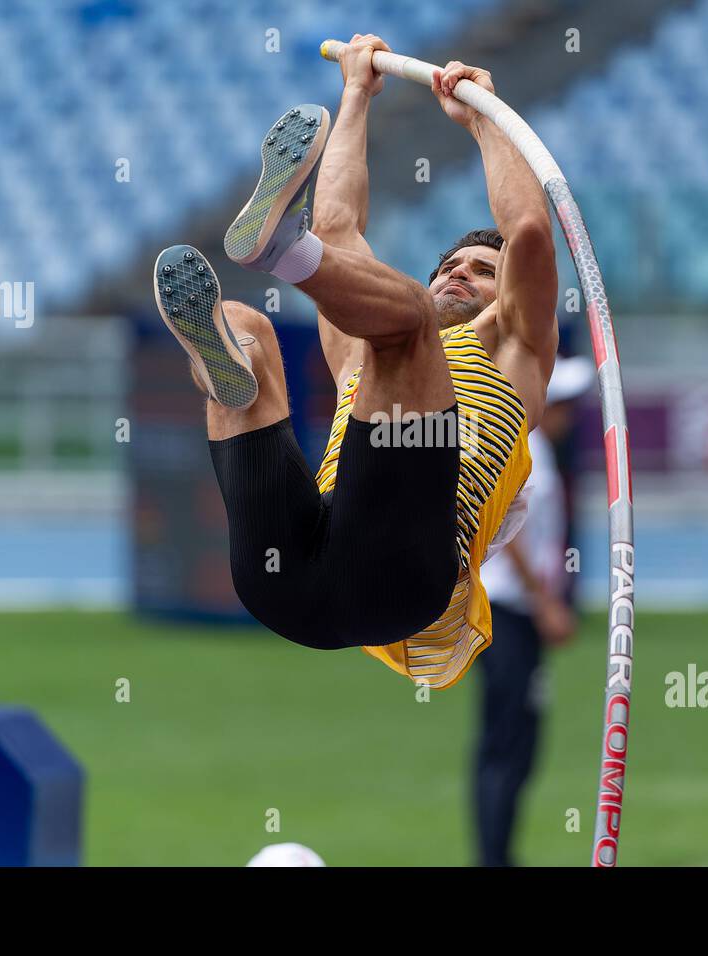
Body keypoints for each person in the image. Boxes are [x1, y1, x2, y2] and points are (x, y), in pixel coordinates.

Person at [153, 34, 558, 689]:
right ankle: (235, 348)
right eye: (449, 265)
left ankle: (283, 253)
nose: (458, 274)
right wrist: (356, 93)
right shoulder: (362, 352)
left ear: (504, 294)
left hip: (400, 587)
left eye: (482, 273)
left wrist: (486, 119)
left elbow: (531, 233)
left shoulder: (517, 350)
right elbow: (337, 225)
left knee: (405, 326)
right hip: (286, 582)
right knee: (246, 326)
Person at [472, 355, 592, 866]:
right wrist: (547, 605)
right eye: (563, 403)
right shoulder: (526, 452)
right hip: (509, 612)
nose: (570, 413)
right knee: (506, 742)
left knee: (520, 742)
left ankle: (501, 854)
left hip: (519, 612)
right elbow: (508, 532)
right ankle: (494, 858)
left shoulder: (537, 449)